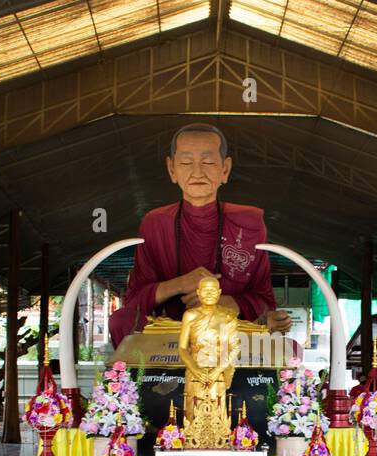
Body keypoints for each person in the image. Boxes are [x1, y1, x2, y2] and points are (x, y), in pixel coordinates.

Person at [108, 123, 291, 346]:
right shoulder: (155, 222)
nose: (197, 172)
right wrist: (180, 284)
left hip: (226, 330)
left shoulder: (249, 222)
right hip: (171, 331)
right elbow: (135, 302)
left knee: (285, 345)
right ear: (172, 169)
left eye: (208, 162)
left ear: (225, 169)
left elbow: (264, 302)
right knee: (121, 320)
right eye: (186, 162)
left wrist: (221, 303)